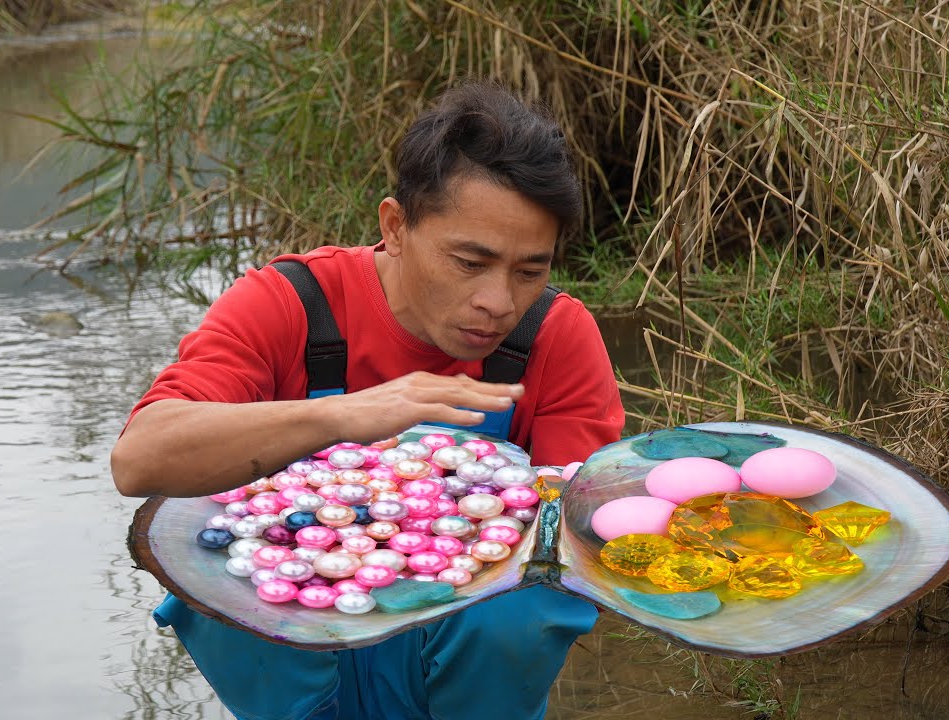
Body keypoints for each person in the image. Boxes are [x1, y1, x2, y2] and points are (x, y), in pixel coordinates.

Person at [111, 82, 625, 720]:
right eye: (470, 262)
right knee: (213, 576)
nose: (499, 302)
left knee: (530, 603)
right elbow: (140, 462)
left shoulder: (555, 334)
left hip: (465, 633)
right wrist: (344, 415)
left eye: (529, 271)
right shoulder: (290, 304)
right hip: (295, 627)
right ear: (396, 226)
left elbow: (580, 540)